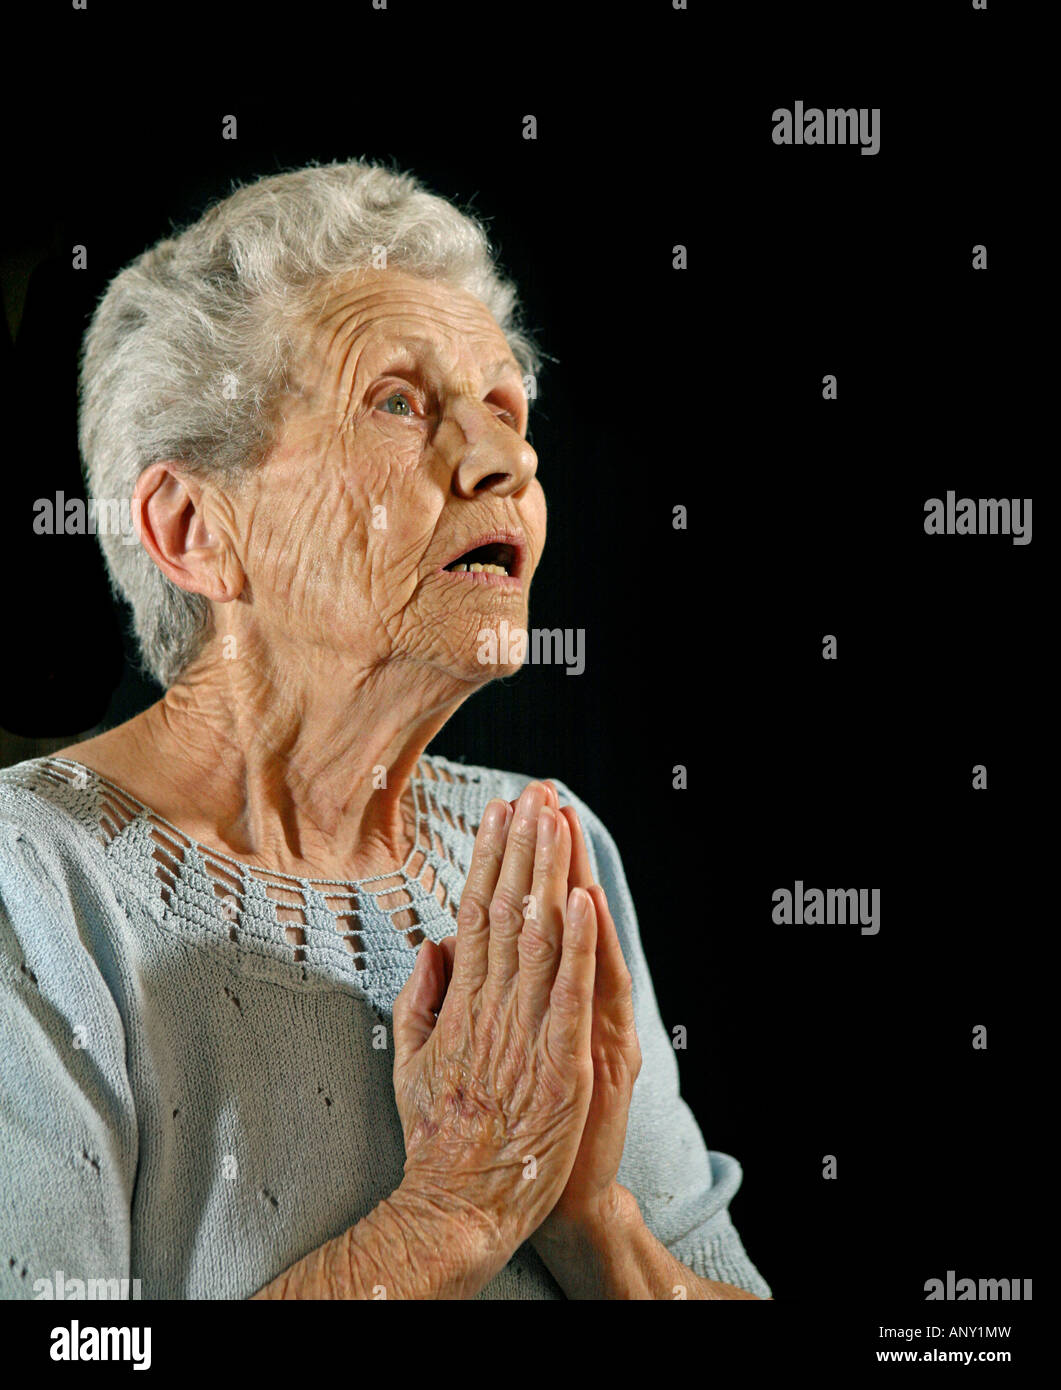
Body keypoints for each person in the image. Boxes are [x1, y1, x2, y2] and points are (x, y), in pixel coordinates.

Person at [0, 161, 769, 1300]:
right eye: (400, 403)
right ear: (192, 527)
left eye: (505, 408)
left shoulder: (546, 850)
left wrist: (592, 1217)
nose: (504, 460)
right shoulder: (31, 883)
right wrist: (446, 1216)